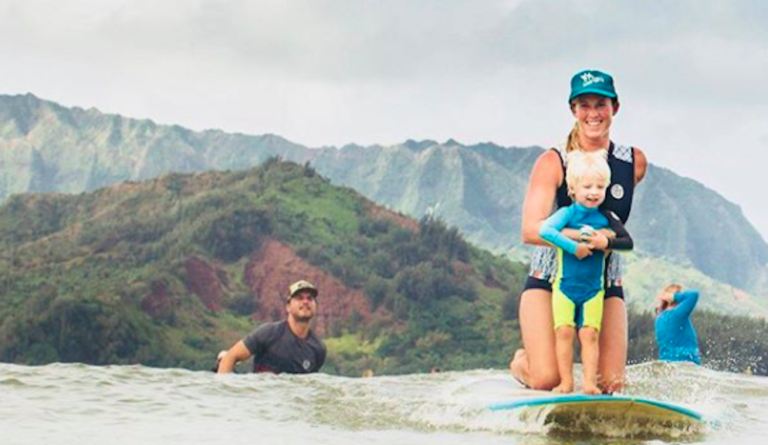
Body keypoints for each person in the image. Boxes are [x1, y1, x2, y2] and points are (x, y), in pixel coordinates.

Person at [509, 69, 647, 393]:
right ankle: (521, 362)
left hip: (603, 280)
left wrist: (607, 241)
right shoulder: (553, 161)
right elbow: (530, 230)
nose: (593, 113)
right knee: (546, 380)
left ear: (615, 107)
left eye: (601, 103)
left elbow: (613, 220)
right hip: (551, 279)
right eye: (584, 105)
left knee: (611, 384)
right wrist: (582, 240)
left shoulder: (634, 162)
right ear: (574, 110)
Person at [539, 149, 634, 394]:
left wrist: (607, 243)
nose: (594, 192)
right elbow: (545, 231)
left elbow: (627, 242)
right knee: (565, 332)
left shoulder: (607, 217)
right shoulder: (566, 214)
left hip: (594, 290)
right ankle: (566, 382)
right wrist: (575, 247)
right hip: (564, 288)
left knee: (590, 334)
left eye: (600, 187)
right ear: (573, 188)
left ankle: (589, 384)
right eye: (587, 186)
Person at [216, 280, 327, 374]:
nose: (305, 302)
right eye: (299, 298)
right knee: (224, 357)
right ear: (288, 306)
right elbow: (229, 358)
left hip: (290, 397)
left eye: (310, 298)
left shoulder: (318, 349)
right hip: (261, 396)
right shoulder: (268, 333)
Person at [655, 284, 701, 364]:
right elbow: (694, 295)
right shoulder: (677, 315)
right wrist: (674, 297)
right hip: (686, 363)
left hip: (667, 363)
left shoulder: (659, 318)